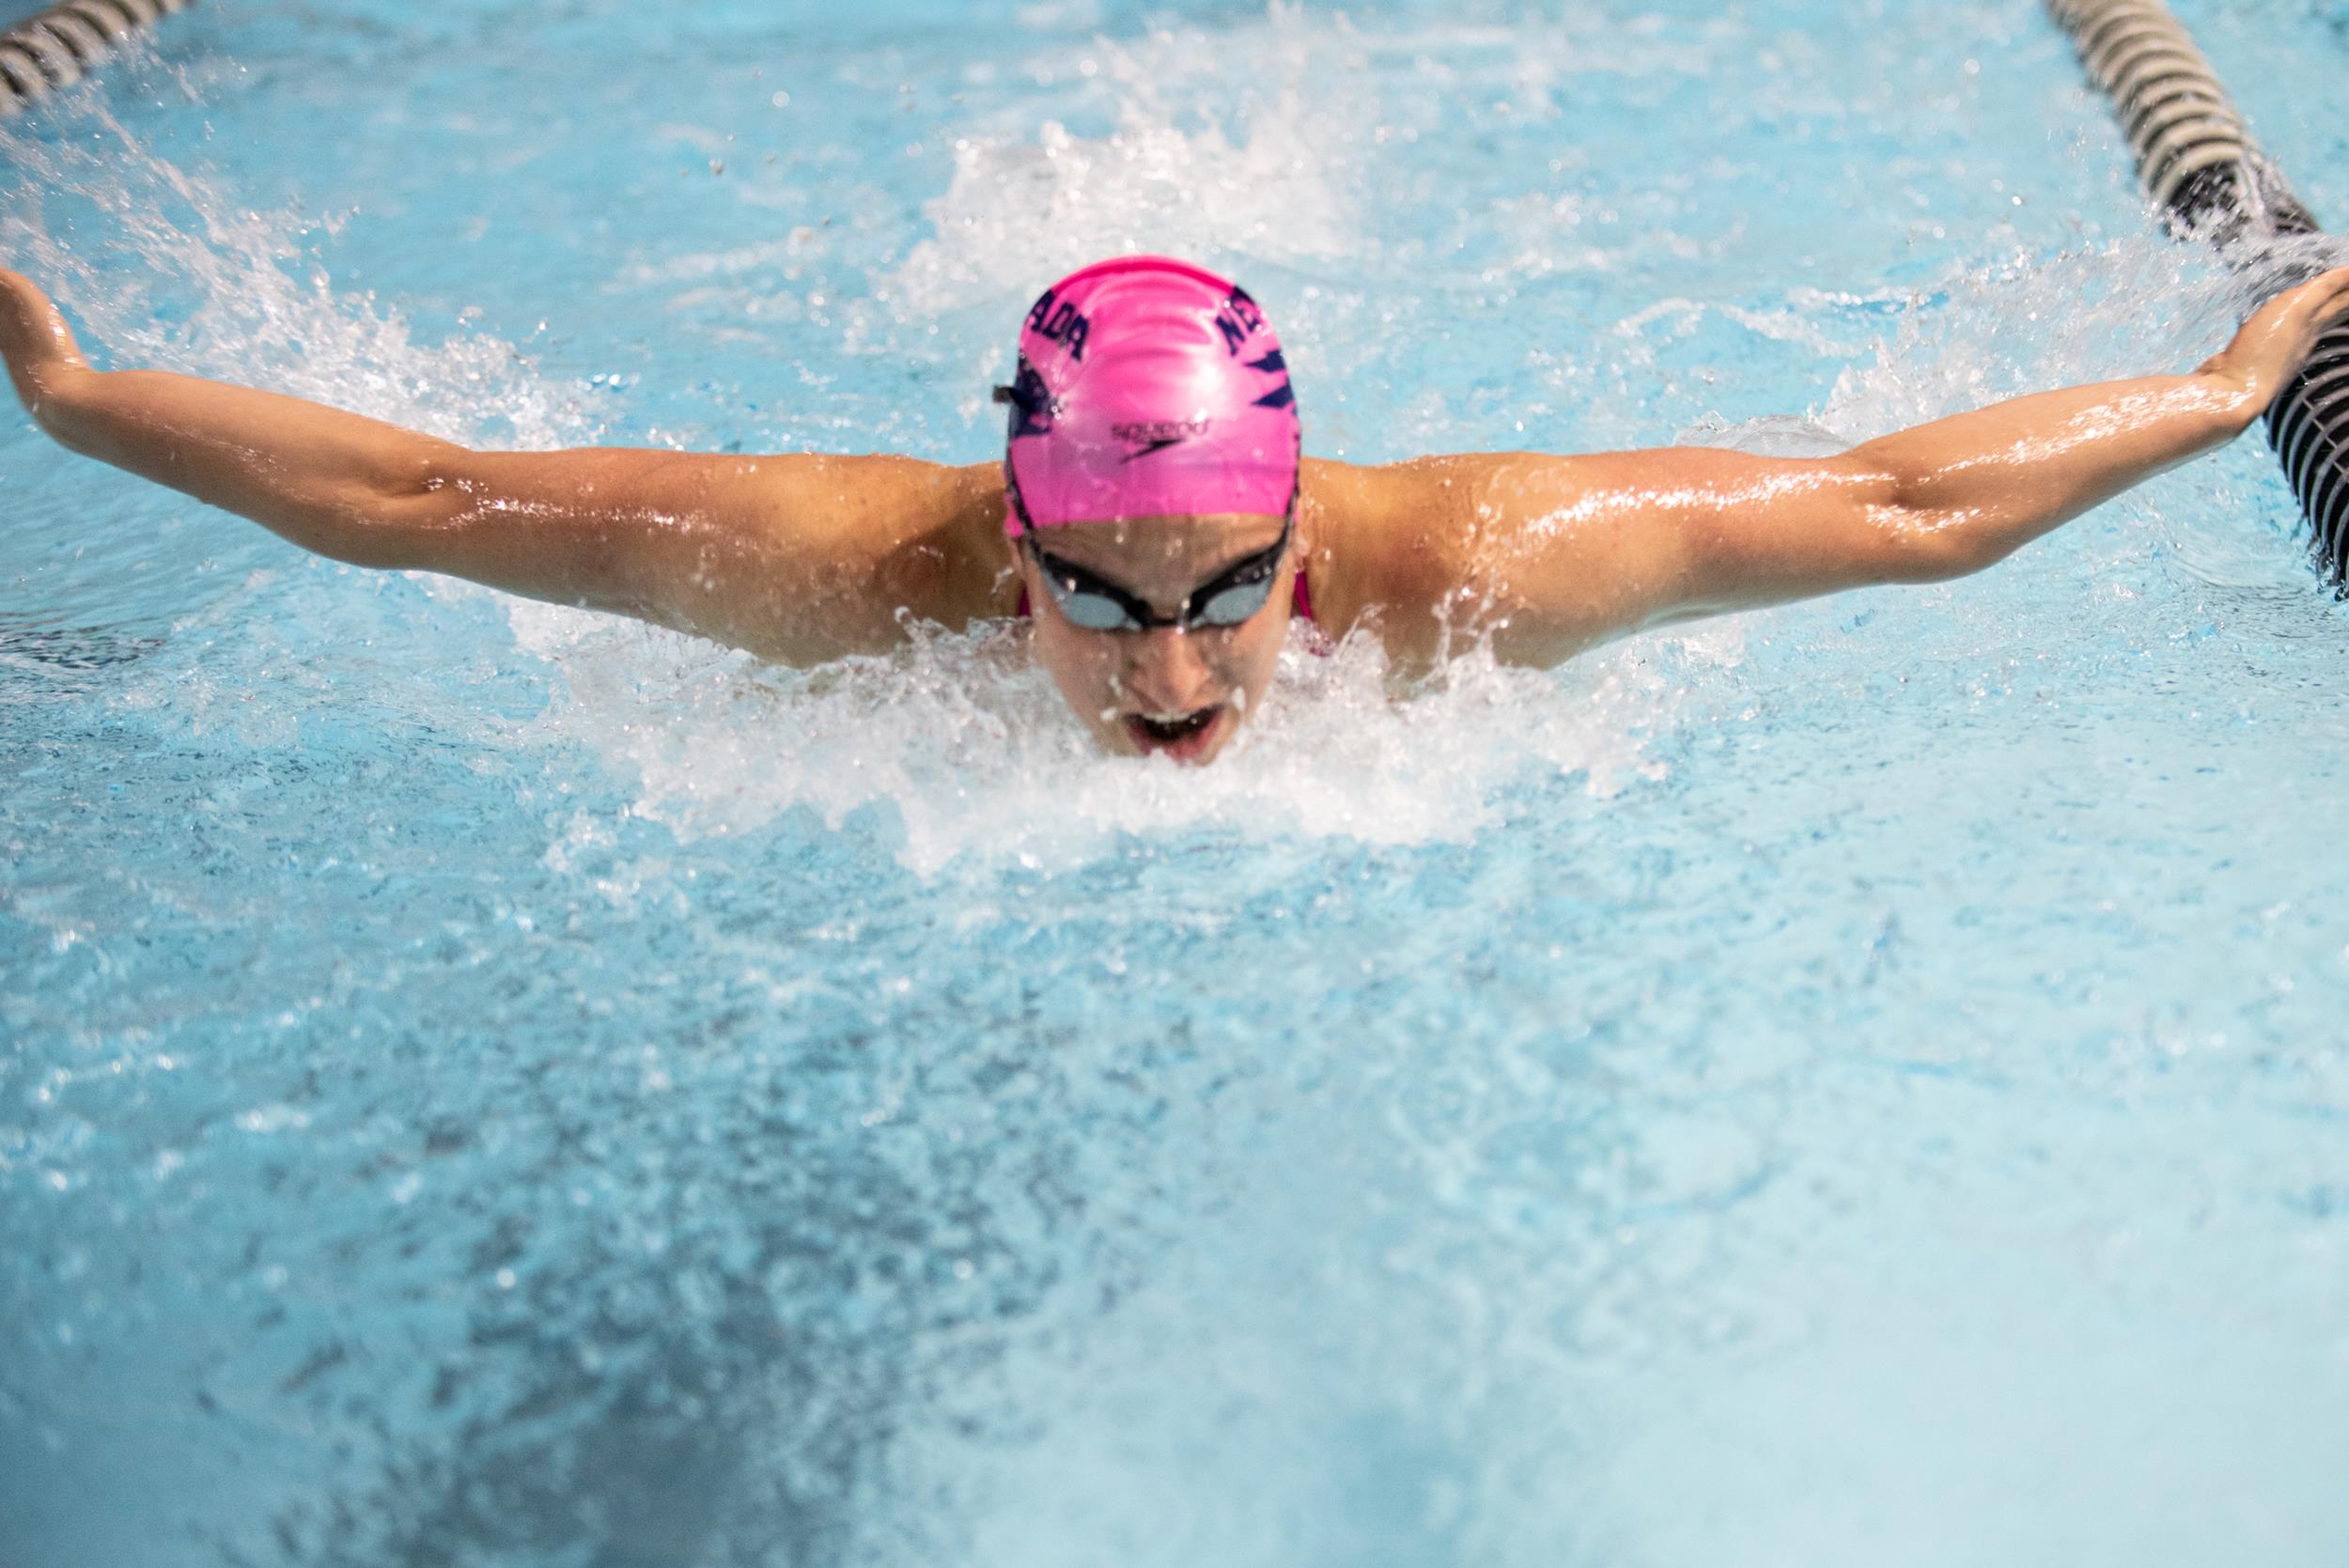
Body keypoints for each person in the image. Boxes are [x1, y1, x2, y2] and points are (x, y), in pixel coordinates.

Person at [6, 255, 2347, 765]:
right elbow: (420, 495)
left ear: (1307, 532)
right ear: (1000, 546)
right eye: (1099, 603)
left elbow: (1900, 505)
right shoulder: (842, 573)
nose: (1179, 672)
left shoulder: (1481, 570)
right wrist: (71, 387)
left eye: (1235, 590)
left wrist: (2230, 380)